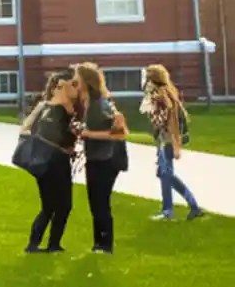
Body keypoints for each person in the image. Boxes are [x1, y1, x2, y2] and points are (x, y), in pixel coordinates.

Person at [20, 69, 80, 253]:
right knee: (58, 205)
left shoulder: (51, 107)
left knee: (53, 205)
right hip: (53, 162)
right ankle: (46, 244)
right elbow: (28, 130)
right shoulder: (58, 108)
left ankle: (43, 244)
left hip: (49, 161)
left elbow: (27, 129)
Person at [73, 62, 130, 254]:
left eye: (77, 78)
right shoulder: (90, 103)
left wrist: (89, 134)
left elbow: (120, 133)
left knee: (100, 202)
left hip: (106, 160)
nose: (75, 82)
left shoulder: (100, 104)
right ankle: (99, 243)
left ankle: (105, 245)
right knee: (95, 202)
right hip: (96, 158)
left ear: (86, 81)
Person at [141, 65, 204, 221]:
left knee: (165, 174)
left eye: (147, 78)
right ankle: (193, 206)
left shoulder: (161, 96)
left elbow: (168, 121)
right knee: (164, 174)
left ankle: (169, 211)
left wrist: (176, 145)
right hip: (164, 140)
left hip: (167, 141)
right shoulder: (163, 92)